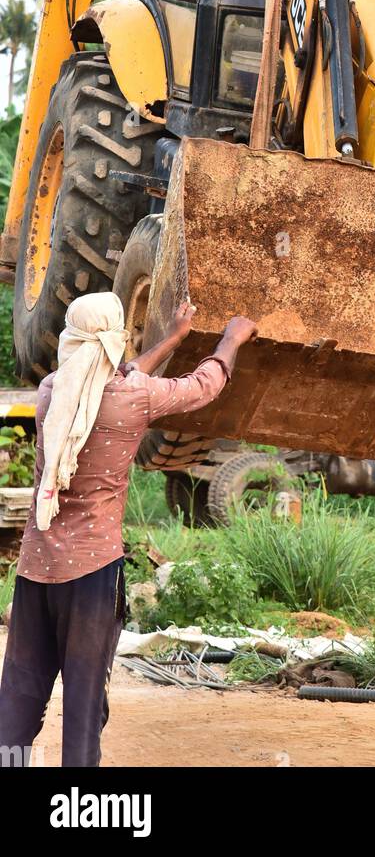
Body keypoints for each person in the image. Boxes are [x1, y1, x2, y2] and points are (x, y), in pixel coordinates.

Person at [0, 293, 257, 767]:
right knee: (83, 706)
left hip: (35, 572)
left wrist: (172, 339)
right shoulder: (135, 398)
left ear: (72, 338)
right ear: (112, 340)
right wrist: (231, 339)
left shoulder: (52, 392)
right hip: (92, 577)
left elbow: (114, 373)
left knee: (18, 697)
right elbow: (204, 385)